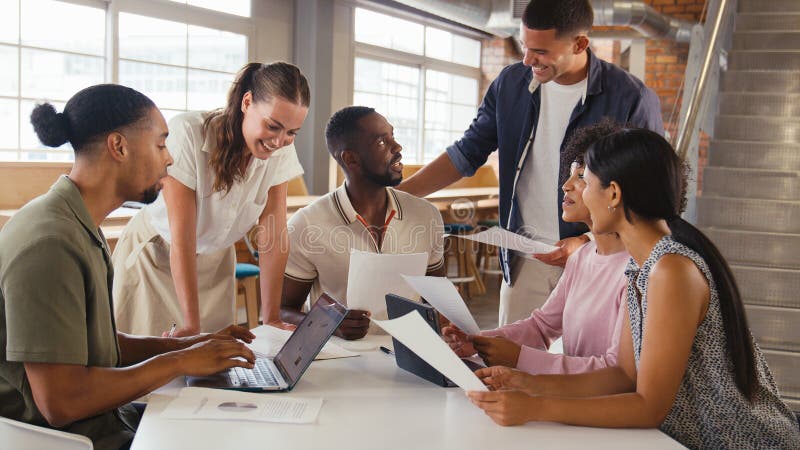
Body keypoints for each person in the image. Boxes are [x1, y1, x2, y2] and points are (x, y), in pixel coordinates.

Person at [466, 127, 800, 449]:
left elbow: (648, 406)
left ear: (613, 193)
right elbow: (622, 376)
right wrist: (527, 383)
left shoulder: (671, 270)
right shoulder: (641, 264)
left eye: (587, 181)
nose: (576, 190)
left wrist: (535, 406)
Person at [0, 85, 256, 450]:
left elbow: (96, 346)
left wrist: (189, 345)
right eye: (161, 144)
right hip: (74, 439)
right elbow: (61, 401)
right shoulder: (50, 243)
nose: (169, 159)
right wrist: (180, 362)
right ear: (118, 146)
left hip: (109, 421)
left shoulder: (77, 222)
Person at [398, 0, 663, 326]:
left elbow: (649, 190)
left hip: (600, 258)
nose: (527, 59)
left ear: (579, 43)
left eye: (541, 51)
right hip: (525, 258)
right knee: (510, 365)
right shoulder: (510, 84)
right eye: (525, 46)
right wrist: (397, 196)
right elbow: (467, 152)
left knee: (586, 363)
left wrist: (586, 241)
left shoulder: (631, 98)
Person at [113, 62, 310, 337]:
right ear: (247, 102)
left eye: (291, 132)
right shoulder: (189, 134)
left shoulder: (280, 151)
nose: (279, 141)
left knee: (213, 368)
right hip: (158, 257)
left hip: (215, 263)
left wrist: (272, 317)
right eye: (273, 126)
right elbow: (182, 236)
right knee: (155, 364)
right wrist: (191, 324)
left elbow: (273, 235)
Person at [443, 120, 629, 374]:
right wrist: (478, 341)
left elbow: (617, 373)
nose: (566, 185)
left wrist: (518, 358)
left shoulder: (637, 272)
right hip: (572, 402)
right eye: (570, 174)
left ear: (615, 192)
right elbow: (542, 327)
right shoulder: (583, 257)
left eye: (581, 177)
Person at [281, 106, 445, 340]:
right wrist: (330, 324)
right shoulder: (307, 224)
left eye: (393, 136)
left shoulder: (426, 215)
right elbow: (284, 310)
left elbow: (438, 301)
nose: (397, 147)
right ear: (351, 159)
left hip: (411, 356)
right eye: (381, 142)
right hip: (342, 361)